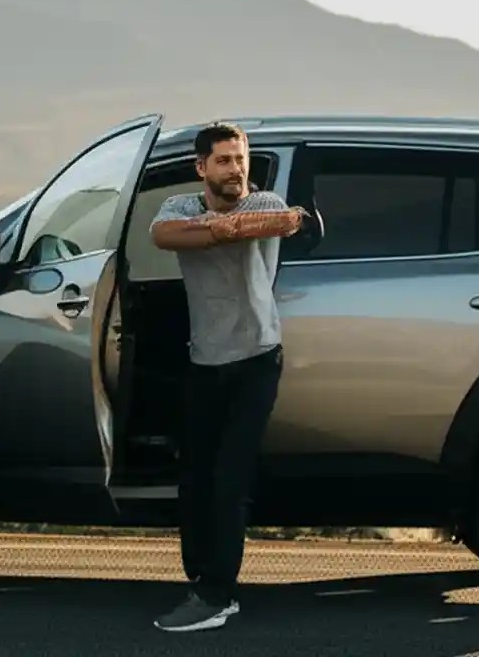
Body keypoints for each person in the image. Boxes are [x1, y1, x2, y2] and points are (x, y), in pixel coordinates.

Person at [148, 121, 306, 632]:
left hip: (256, 359)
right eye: (224, 161)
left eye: (241, 159)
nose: (237, 169)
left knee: (228, 481)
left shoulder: (262, 203)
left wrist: (233, 227)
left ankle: (219, 596)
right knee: (193, 480)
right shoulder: (180, 210)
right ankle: (201, 577)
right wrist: (216, 229)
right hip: (204, 361)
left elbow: (283, 222)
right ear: (201, 168)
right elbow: (160, 234)